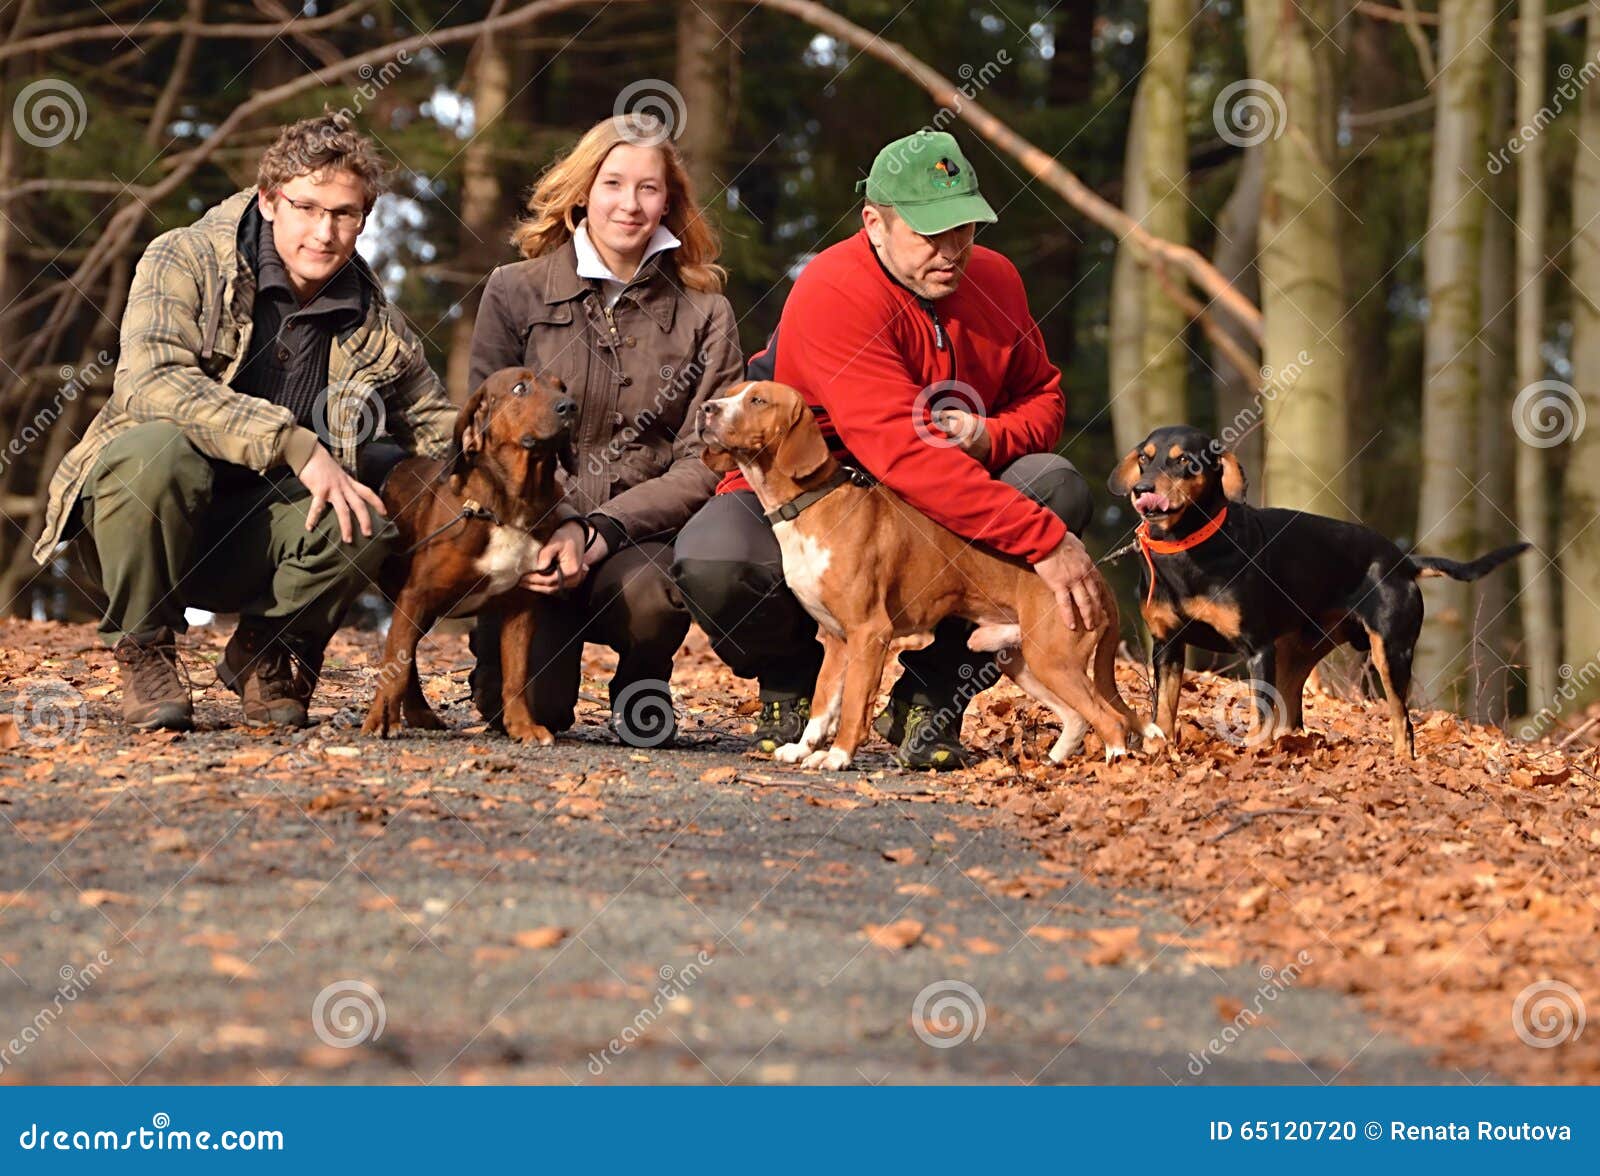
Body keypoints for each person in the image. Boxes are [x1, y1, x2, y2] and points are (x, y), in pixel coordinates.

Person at [672, 130, 1108, 769]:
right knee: (716, 560)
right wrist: (1044, 541)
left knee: (1055, 484)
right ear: (874, 224)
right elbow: (900, 454)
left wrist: (991, 435)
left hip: (932, 501)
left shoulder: (997, 279)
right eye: (931, 233)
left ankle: (930, 696)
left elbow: (1044, 398)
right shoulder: (834, 288)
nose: (952, 250)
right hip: (808, 483)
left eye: (964, 228)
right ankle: (793, 685)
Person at [33, 111, 456, 732]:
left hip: (258, 536)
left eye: (344, 214)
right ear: (269, 200)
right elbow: (153, 382)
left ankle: (266, 649)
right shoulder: (184, 257)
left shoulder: (373, 320)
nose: (324, 232)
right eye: (307, 207)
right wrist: (294, 443)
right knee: (157, 452)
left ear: (364, 219)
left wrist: (539, 516)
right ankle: (145, 648)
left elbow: (440, 430)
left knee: (363, 520)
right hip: (142, 521)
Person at [466, 113, 744, 747]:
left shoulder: (708, 313)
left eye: (648, 188)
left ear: (669, 202)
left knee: (653, 596)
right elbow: (486, 433)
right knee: (532, 712)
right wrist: (550, 525)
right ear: (582, 192)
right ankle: (509, 655)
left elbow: (708, 459)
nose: (630, 204)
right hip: (530, 531)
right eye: (613, 184)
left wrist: (599, 530)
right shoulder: (513, 291)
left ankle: (643, 678)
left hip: (639, 540)